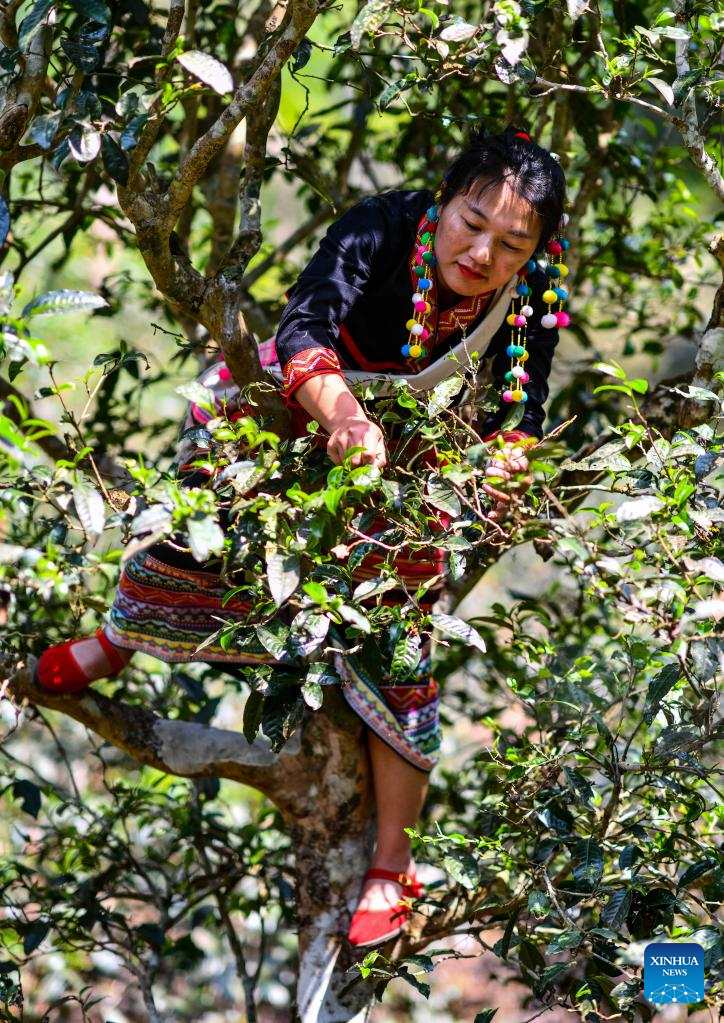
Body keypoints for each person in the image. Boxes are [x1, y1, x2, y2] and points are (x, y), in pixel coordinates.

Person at [35, 125, 568, 947]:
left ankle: (393, 864)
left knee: (401, 631)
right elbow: (302, 329)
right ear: (443, 196)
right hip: (306, 406)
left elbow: (521, 413)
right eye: (472, 221)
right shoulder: (380, 226)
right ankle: (118, 638)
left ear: (538, 248)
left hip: (412, 450)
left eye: (511, 242)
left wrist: (502, 466)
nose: (483, 252)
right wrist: (344, 420)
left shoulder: (531, 291)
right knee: (203, 518)